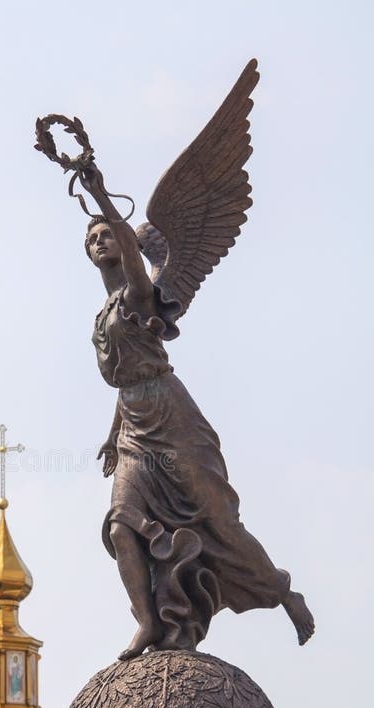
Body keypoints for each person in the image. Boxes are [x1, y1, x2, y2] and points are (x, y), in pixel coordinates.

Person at [79, 166, 315, 661]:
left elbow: (147, 371)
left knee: (218, 521)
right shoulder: (103, 313)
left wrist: (100, 195)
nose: (101, 241)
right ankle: (147, 623)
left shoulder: (140, 295)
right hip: (133, 424)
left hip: (173, 418)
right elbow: (126, 378)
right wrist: (112, 433)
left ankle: (281, 592)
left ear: (125, 246)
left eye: (108, 235)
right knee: (122, 524)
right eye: (93, 238)